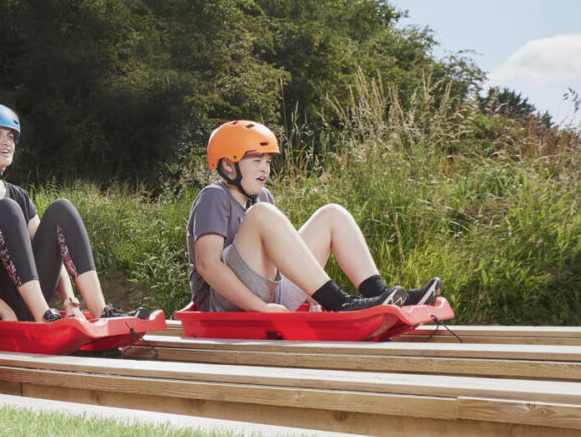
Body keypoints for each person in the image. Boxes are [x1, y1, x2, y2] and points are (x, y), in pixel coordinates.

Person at [188, 120, 441, 314]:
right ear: (228, 165)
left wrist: (308, 289)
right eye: (255, 160)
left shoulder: (262, 197)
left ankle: (384, 296)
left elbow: (279, 255)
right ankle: (340, 303)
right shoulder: (214, 196)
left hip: (269, 292)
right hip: (225, 304)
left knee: (333, 214)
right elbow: (208, 266)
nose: (264, 168)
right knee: (262, 215)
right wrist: (261, 309)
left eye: (267, 161)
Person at [0, 102, 144, 323]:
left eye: (10, 136)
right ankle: (43, 316)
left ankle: (100, 311)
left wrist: (68, 299)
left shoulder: (20, 196)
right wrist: (3, 310)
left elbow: (53, 247)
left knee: (61, 209)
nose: (7, 141)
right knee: (6, 209)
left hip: (26, 304)